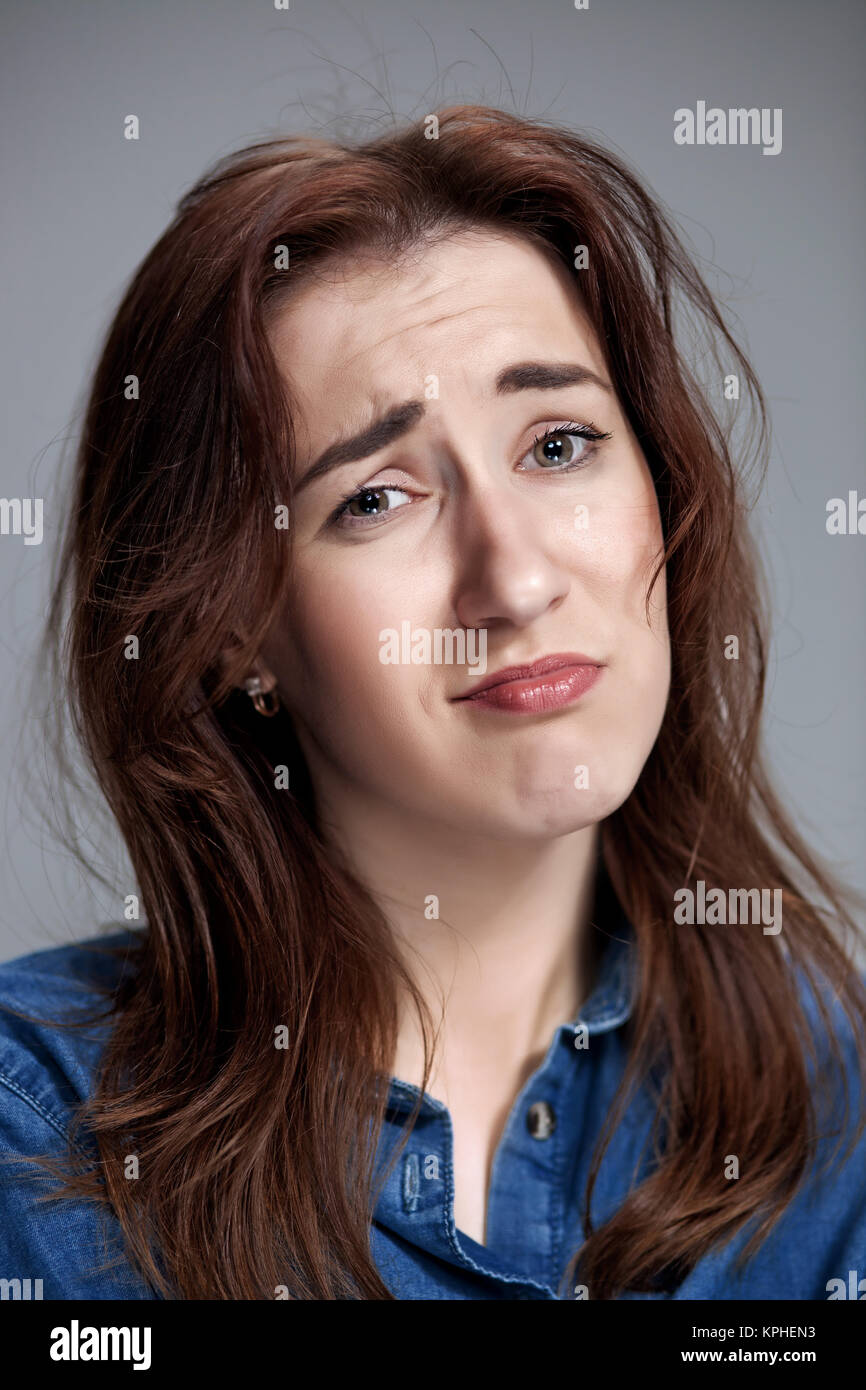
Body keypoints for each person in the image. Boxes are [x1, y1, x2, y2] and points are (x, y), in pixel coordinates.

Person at [0, 104, 864, 1302]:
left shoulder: (841, 1113)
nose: (513, 578)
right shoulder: (33, 1138)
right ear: (231, 637)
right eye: (374, 498)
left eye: (557, 444)